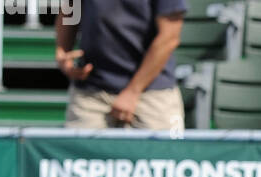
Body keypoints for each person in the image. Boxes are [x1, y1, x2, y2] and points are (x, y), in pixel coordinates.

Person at [55, 0, 185, 131]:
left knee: (163, 151)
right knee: (78, 151)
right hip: (90, 95)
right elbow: (69, 8)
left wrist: (133, 91)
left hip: (152, 94)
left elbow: (169, 38)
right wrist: (63, 53)